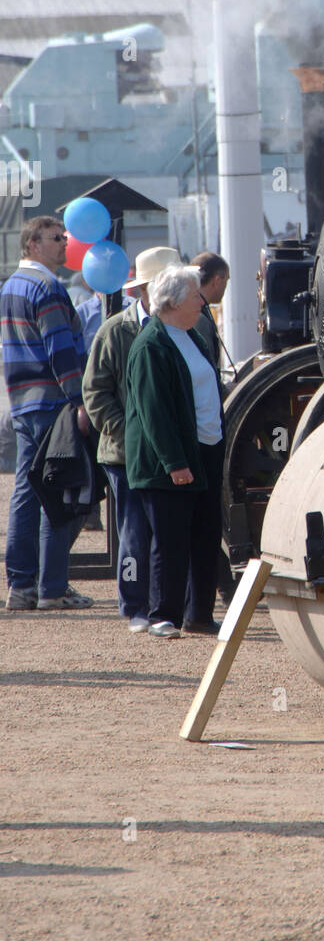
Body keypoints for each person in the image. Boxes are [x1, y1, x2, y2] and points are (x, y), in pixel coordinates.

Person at [81, 246, 180, 632]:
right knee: (134, 533)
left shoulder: (185, 327)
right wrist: (129, 433)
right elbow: (95, 392)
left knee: (163, 532)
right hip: (124, 455)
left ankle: (162, 605)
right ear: (144, 290)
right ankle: (134, 604)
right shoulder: (114, 329)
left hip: (167, 453)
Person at [125, 265, 224, 638]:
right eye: (196, 295)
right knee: (170, 539)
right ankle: (162, 615)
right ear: (174, 302)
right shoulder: (151, 343)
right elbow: (155, 412)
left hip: (205, 450)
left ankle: (199, 613)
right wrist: (175, 463)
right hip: (170, 461)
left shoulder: (191, 336)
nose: (202, 301)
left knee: (205, 534)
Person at [0, 215, 93, 610]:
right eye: (56, 238)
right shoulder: (48, 287)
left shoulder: (10, 287)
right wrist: (79, 400)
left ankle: (21, 585)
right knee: (60, 487)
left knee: (26, 490)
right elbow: (60, 350)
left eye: (64, 237)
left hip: (21, 399)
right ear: (32, 244)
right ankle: (52, 587)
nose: (64, 243)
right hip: (54, 402)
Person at [190, 251, 231, 384]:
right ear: (217, 281)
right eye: (226, 280)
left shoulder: (198, 312)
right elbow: (205, 371)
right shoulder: (199, 319)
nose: (226, 287)